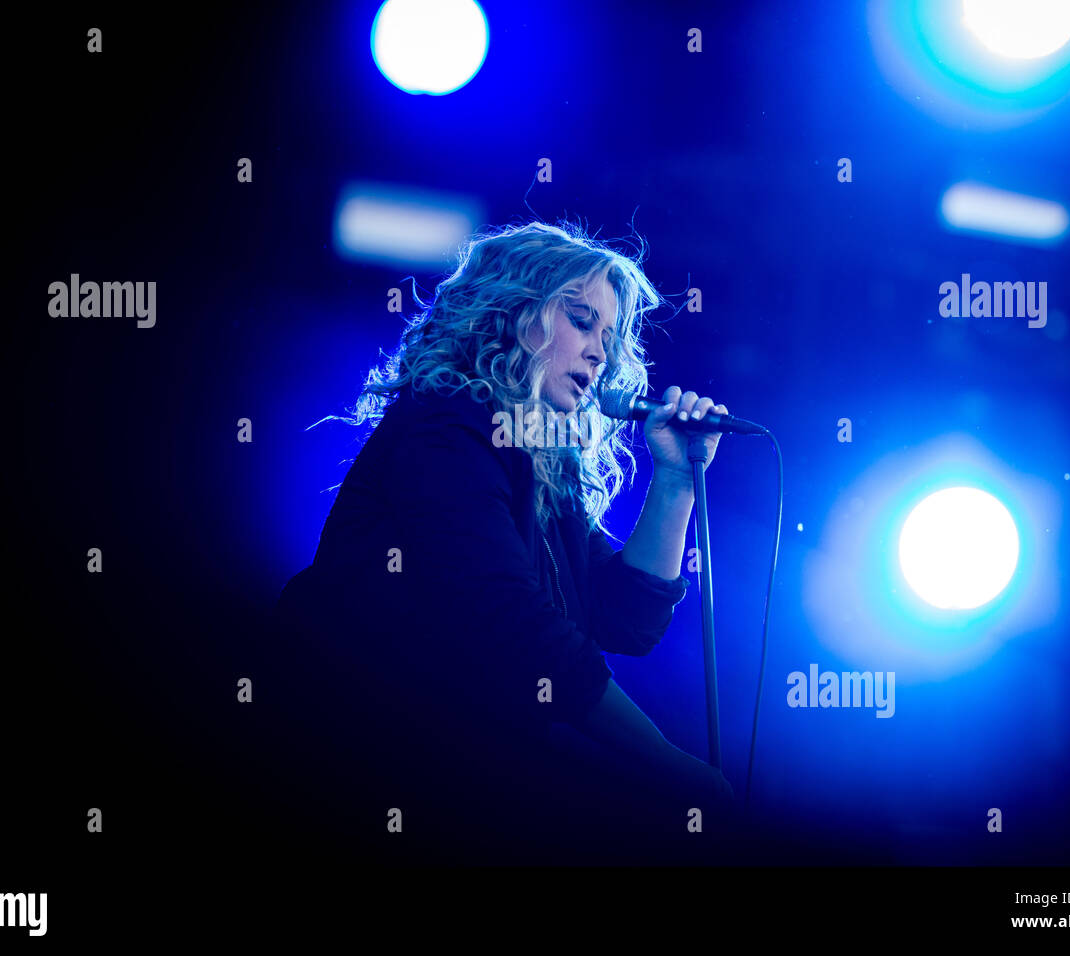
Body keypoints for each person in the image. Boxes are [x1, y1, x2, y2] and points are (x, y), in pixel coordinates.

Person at [273, 221, 738, 863]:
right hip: (354, 770)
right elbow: (516, 626)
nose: (601, 353)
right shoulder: (446, 430)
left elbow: (626, 621)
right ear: (514, 314)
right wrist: (669, 767)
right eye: (581, 320)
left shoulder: (540, 467)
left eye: (610, 335)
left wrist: (678, 479)